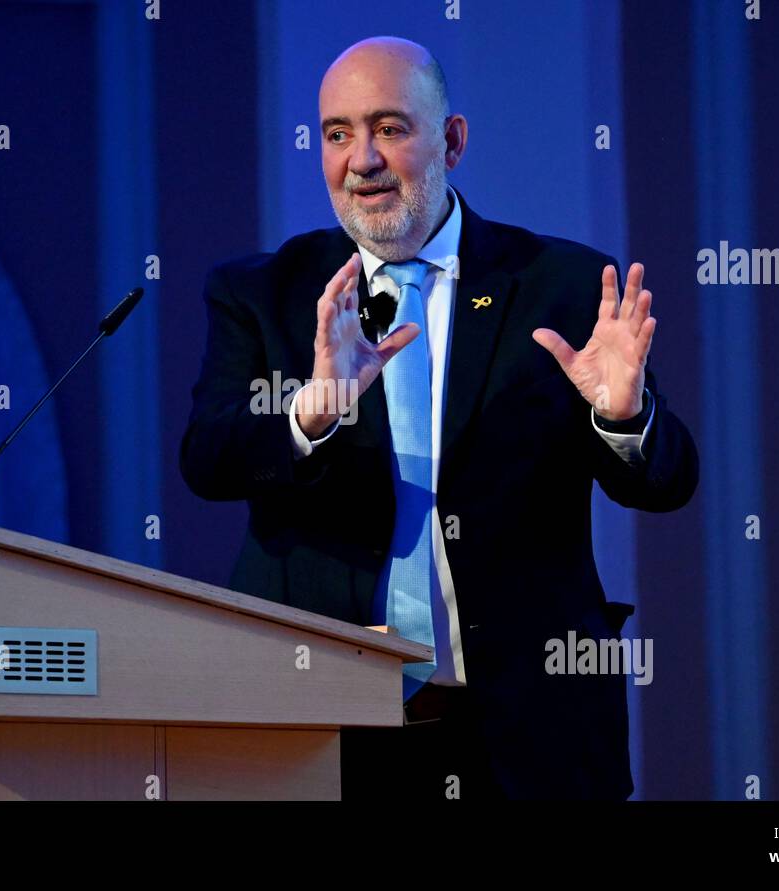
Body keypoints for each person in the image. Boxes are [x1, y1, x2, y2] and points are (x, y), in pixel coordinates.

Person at [180, 36, 698, 799]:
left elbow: (667, 482)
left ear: (452, 140)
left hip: (526, 738)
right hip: (324, 732)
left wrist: (623, 418)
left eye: (389, 128)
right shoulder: (263, 293)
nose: (362, 160)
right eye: (337, 134)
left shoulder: (561, 284)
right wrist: (308, 416)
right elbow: (208, 457)